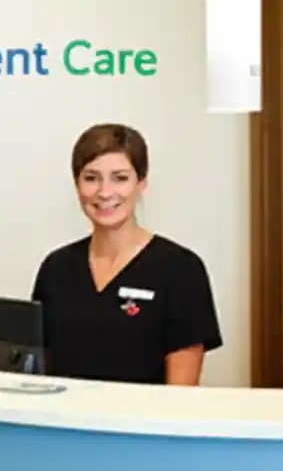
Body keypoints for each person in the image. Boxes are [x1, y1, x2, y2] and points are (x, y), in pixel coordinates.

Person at [31, 123, 222, 386]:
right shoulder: (56, 268)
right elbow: (37, 372)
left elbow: (181, 396)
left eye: (120, 178)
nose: (105, 192)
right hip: (64, 424)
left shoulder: (180, 270)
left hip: (140, 426)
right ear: (77, 184)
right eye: (91, 178)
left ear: (141, 182)